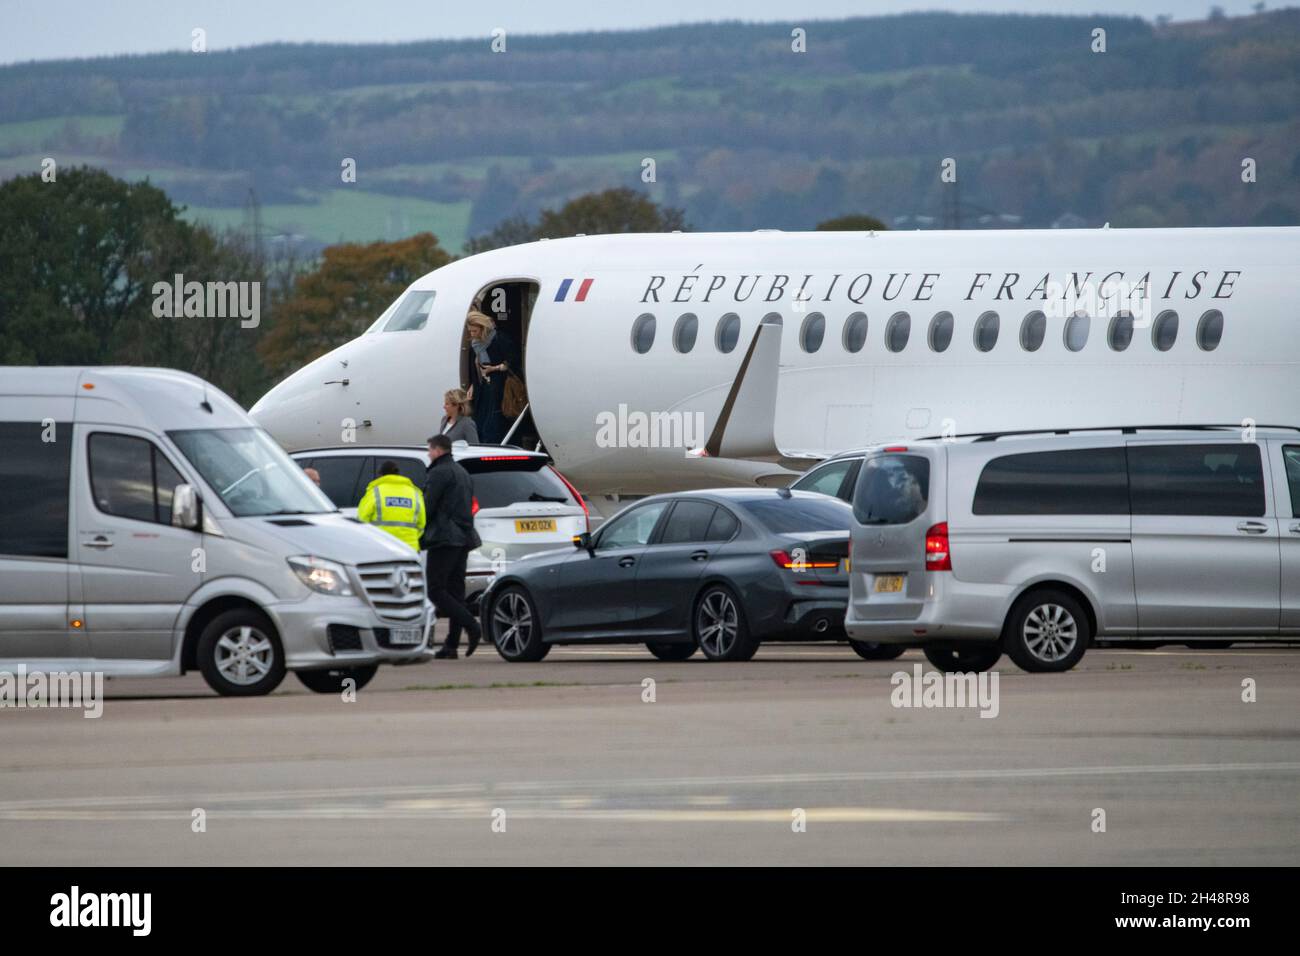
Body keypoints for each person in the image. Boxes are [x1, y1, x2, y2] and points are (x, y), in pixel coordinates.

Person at [421, 434, 483, 658]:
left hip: (445, 537)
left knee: (435, 588)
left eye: (430, 450)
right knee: (456, 591)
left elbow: (428, 507)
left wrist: (420, 531)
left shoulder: (438, 472)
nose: (429, 454)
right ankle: (451, 645)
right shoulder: (461, 472)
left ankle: (472, 626)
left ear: (438, 450)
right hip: (463, 537)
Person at [465, 311, 518, 444]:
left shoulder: (499, 339)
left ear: (483, 329)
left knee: (494, 422)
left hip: (499, 386)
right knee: (481, 421)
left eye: (474, 331)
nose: (472, 335)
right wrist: (473, 384)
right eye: (470, 331)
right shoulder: (475, 346)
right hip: (483, 387)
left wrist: (493, 368)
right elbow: (474, 367)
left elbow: (512, 361)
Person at [356, 460, 425, 551]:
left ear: (380, 475)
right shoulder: (414, 493)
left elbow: (362, 520)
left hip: (382, 548)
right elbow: (421, 524)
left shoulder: (375, 492)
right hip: (409, 549)